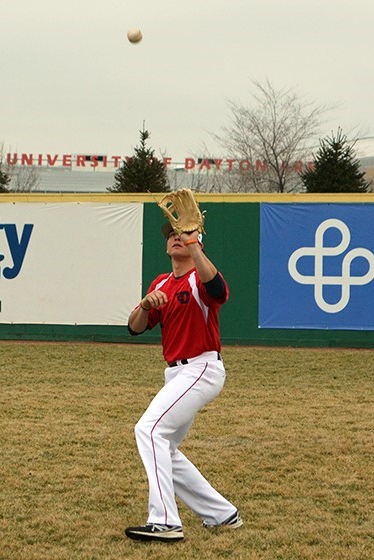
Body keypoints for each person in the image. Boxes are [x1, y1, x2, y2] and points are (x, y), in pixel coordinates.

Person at [123, 223, 243, 543]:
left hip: (201, 367)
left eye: (184, 234)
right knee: (165, 447)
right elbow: (134, 328)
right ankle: (221, 513)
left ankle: (164, 521)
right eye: (172, 235)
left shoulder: (199, 278)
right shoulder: (162, 282)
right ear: (166, 247)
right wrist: (145, 305)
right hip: (176, 373)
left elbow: (218, 290)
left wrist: (194, 246)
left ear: (197, 244)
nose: (176, 237)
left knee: (148, 430)